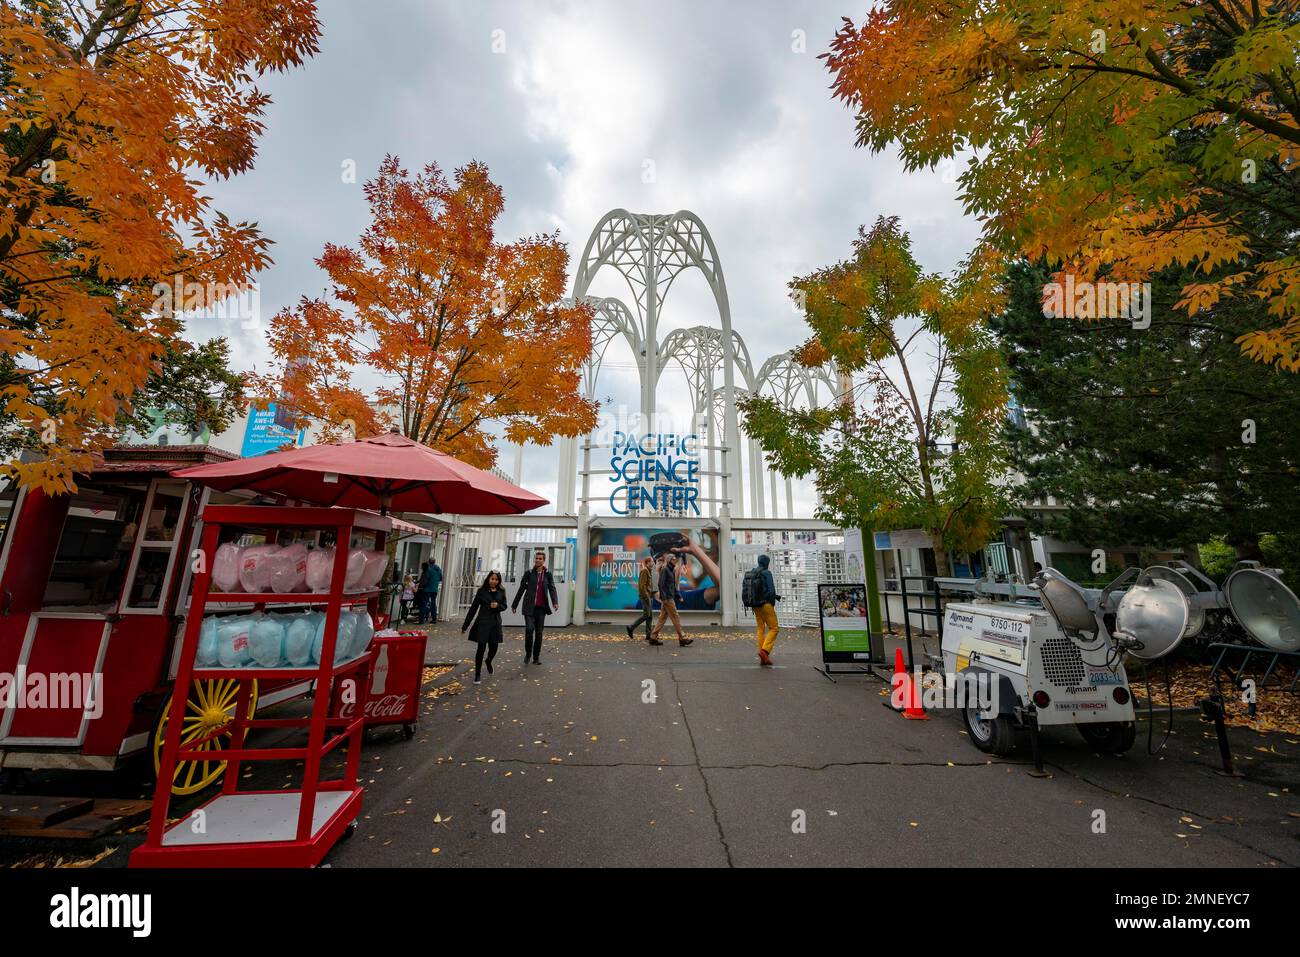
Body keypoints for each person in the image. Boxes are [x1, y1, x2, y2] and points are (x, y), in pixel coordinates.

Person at [512, 550, 557, 664]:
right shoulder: (529, 573)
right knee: (529, 629)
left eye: (540, 558)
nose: (538, 560)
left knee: (539, 633)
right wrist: (515, 604)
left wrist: (555, 602)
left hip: (541, 609)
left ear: (544, 560)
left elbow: (552, 588)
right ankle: (528, 653)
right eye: (536, 558)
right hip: (529, 607)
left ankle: (536, 657)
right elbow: (521, 588)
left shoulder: (547, 574)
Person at [462, 570, 507, 684]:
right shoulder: (482, 591)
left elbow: (504, 606)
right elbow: (473, 608)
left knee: (494, 648)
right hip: (482, 623)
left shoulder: (501, 591)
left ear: (499, 581)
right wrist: (465, 625)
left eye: (496, 579)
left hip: (495, 624)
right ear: (488, 579)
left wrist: (498, 606)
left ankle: (488, 661)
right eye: (492, 579)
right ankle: (477, 674)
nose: (494, 581)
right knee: (480, 649)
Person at [651, 554, 693, 647]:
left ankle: (653, 637)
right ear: (669, 560)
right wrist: (664, 598)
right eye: (673, 559)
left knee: (662, 618)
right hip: (668, 599)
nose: (675, 561)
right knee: (675, 616)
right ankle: (682, 638)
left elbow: (673, 587)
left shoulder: (671, 571)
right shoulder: (665, 570)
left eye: (675, 559)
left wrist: (679, 596)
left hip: (669, 597)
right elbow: (661, 585)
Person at [752, 554, 781, 666]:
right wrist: (772, 603)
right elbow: (771, 590)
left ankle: (763, 658)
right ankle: (764, 652)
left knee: (760, 629)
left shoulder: (754, 573)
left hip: (756, 606)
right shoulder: (766, 573)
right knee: (774, 628)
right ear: (767, 563)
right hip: (766, 605)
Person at [626, 556, 661, 645]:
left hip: (649, 596)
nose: (653, 563)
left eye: (653, 562)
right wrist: (647, 596)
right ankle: (631, 627)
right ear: (647, 563)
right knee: (647, 615)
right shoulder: (644, 571)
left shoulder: (649, 571)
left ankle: (648, 635)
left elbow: (649, 585)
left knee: (650, 616)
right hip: (645, 597)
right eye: (651, 562)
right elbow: (642, 586)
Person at [418, 559, 443, 625]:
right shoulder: (438, 569)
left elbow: (424, 580)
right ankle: (434, 619)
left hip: (427, 589)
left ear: (429, 562)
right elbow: (440, 578)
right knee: (433, 604)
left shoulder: (428, 569)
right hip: (434, 589)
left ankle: (421, 620)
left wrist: (420, 585)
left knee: (423, 604)